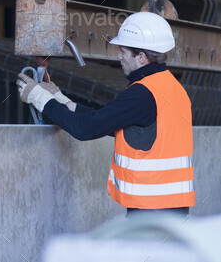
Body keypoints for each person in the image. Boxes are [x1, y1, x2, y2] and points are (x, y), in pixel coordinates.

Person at [17, 12, 195, 217]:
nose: (118, 57)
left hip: (151, 210)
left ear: (141, 57)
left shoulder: (142, 93)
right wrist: (64, 101)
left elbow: (86, 128)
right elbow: (110, 121)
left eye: (122, 51)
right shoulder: (172, 87)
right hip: (173, 207)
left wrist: (40, 99)